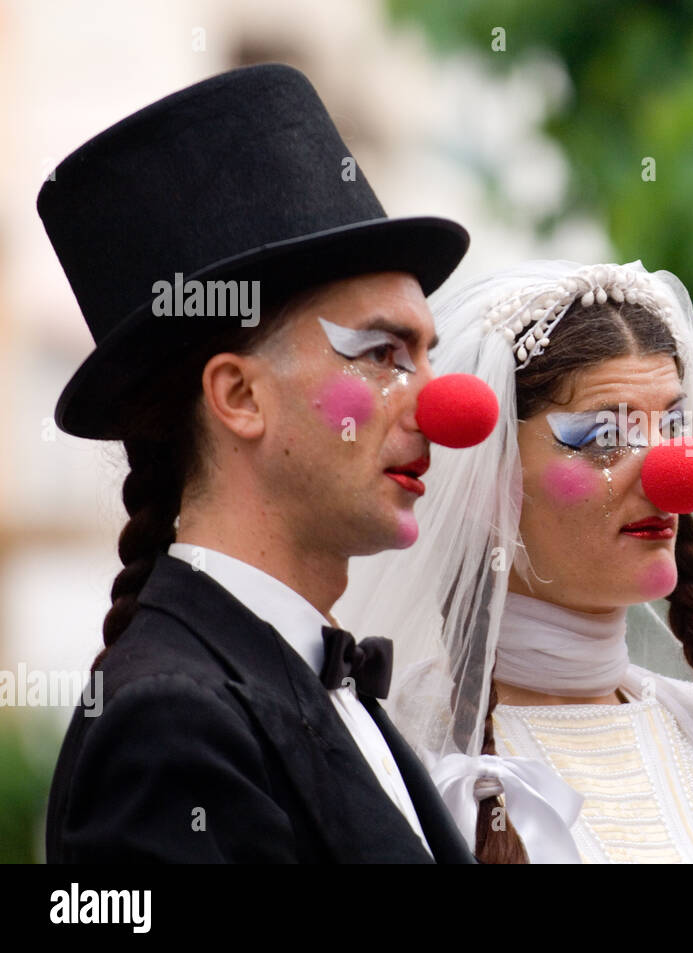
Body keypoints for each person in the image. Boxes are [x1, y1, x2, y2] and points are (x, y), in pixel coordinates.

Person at [336, 260, 693, 863]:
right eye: (601, 435)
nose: (673, 478)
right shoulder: (401, 753)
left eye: (674, 425)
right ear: (487, 477)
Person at [39, 63, 479, 863]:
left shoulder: (322, 687)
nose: (439, 409)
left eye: (428, 355)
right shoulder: (169, 724)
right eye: (382, 353)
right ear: (239, 396)